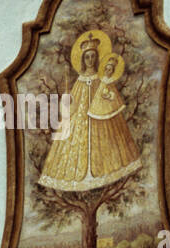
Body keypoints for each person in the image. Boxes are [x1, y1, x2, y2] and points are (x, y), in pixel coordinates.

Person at [38, 33, 141, 191]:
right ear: (83, 59)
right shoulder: (79, 80)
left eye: (93, 56)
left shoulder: (101, 79)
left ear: (97, 58)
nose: (91, 60)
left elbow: (109, 96)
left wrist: (106, 97)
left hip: (101, 120)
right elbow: (72, 105)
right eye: (87, 57)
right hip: (79, 121)